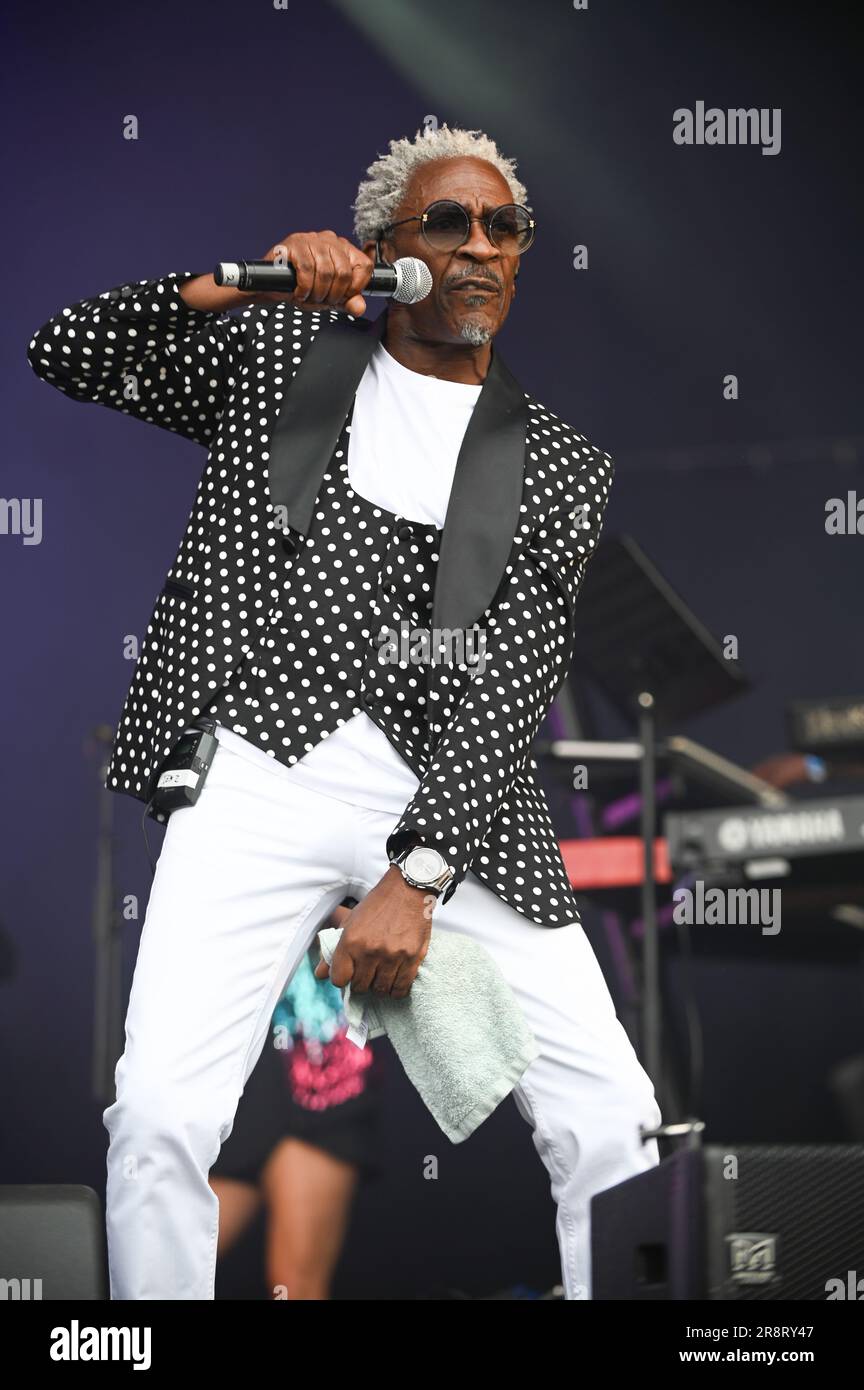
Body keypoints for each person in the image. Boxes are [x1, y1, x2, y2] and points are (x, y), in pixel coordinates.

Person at [27, 122, 662, 1300]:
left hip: (450, 803)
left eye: (503, 228)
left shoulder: (561, 464)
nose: (478, 247)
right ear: (383, 250)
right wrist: (235, 281)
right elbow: (67, 349)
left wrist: (416, 878)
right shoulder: (283, 359)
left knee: (614, 1122)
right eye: (446, 224)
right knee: (162, 1111)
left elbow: (510, 682)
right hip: (263, 770)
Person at [211, 905, 381, 1300]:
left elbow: (376, 917)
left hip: (318, 1064)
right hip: (229, 1071)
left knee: (293, 1285)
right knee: (156, 1266)